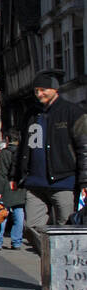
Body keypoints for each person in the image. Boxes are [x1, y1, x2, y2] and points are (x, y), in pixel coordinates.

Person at [14, 70, 87, 254]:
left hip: (64, 180)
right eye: (36, 90)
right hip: (35, 182)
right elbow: (24, 146)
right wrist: (16, 173)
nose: (39, 94)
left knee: (67, 228)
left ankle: (67, 271)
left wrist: (85, 180)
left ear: (54, 89)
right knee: (31, 226)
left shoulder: (72, 112)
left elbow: (84, 148)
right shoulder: (31, 114)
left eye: (43, 89)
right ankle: (53, 258)